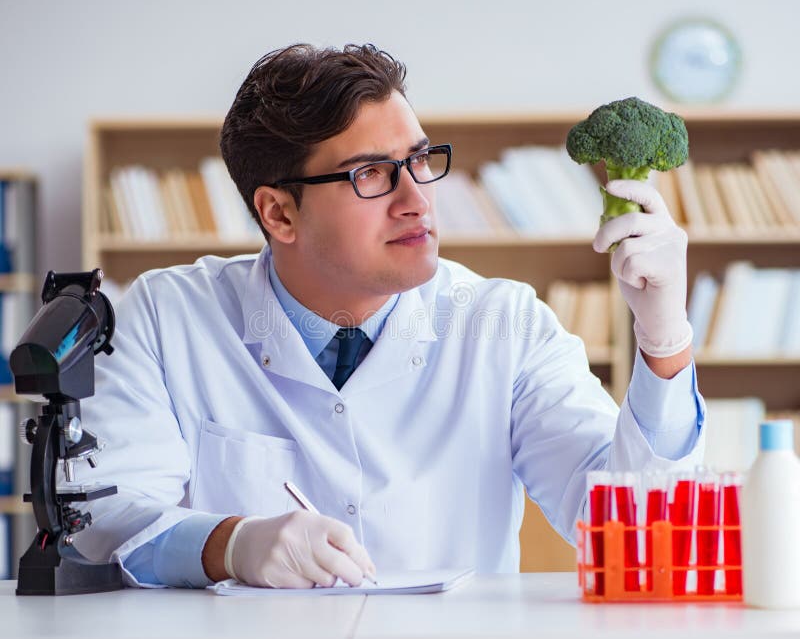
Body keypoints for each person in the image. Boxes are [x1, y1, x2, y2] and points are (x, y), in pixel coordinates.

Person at [71, 43, 704, 589]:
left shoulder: (502, 324)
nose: (417, 200)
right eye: (371, 174)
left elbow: (639, 534)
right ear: (279, 214)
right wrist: (230, 545)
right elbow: (108, 517)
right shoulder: (166, 315)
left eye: (421, 161)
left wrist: (664, 342)